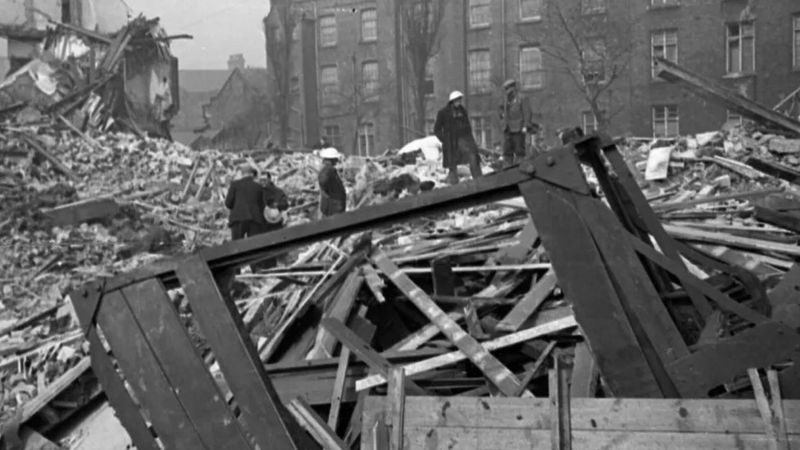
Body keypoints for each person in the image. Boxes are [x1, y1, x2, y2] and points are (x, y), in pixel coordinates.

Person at [434, 91, 482, 184]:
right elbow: (437, 129)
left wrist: (471, 141)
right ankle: (453, 186)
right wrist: (444, 140)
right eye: (456, 100)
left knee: (473, 157)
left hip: (464, 141)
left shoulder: (463, 111)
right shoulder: (443, 113)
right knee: (452, 166)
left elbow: (468, 128)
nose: (459, 102)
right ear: (452, 101)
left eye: (459, 100)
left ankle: (479, 181)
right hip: (451, 143)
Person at [225, 164, 270, 241]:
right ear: (251, 174)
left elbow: (228, 203)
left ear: (242, 174)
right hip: (255, 219)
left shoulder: (235, 185)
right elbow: (262, 206)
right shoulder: (258, 187)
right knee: (254, 245)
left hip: (238, 219)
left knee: (237, 246)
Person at [499, 79, 537, 166]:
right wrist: (502, 117)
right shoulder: (505, 100)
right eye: (506, 90)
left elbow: (527, 112)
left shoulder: (522, 98)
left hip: (518, 129)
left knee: (519, 150)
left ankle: (519, 167)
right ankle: (507, 168)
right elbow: (500, 109)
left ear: (514, 89)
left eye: (510, 90)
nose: (508, 92)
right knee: (507, 151)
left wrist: (525, 125)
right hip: (507, 128)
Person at [318, 147, 347, 217]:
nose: (337, 160)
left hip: (334, 205)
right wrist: (328, 192)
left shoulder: (328, 169)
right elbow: (323, 181)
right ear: (331, 159)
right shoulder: (329, 170)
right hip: (334, 206)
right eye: (335, 158)